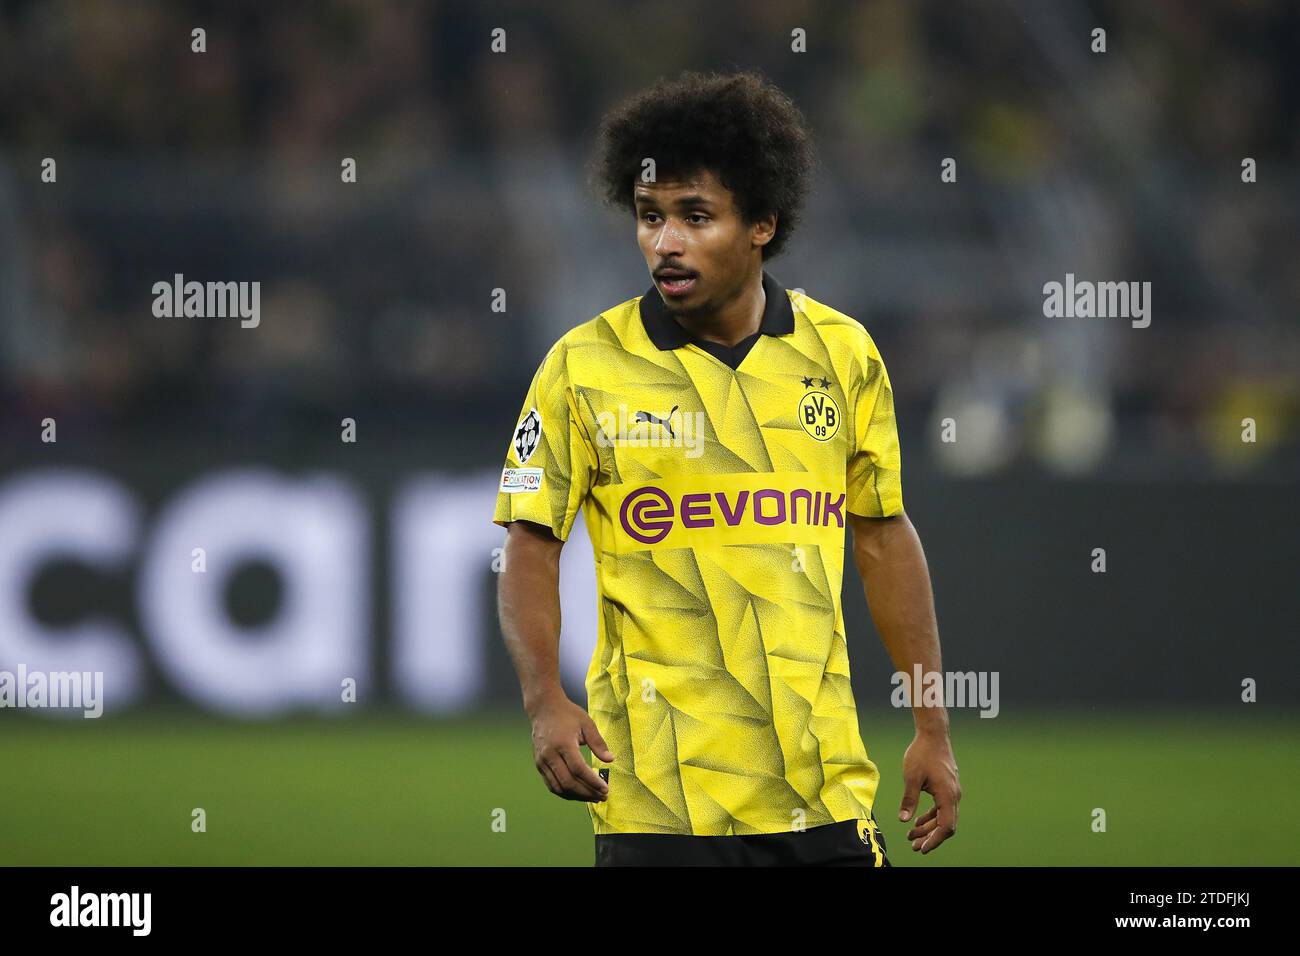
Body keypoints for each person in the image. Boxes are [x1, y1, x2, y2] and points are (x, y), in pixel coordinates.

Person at [494, 69, 960, 866]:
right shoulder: (584, 366)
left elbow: (883, 538)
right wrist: (544, 702)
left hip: (824, 803)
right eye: (649, 217)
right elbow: (530, 546)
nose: (665, 242)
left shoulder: (842, 355)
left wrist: (931, 728)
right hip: (655, 810)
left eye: (695, 216)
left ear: (761, 226)